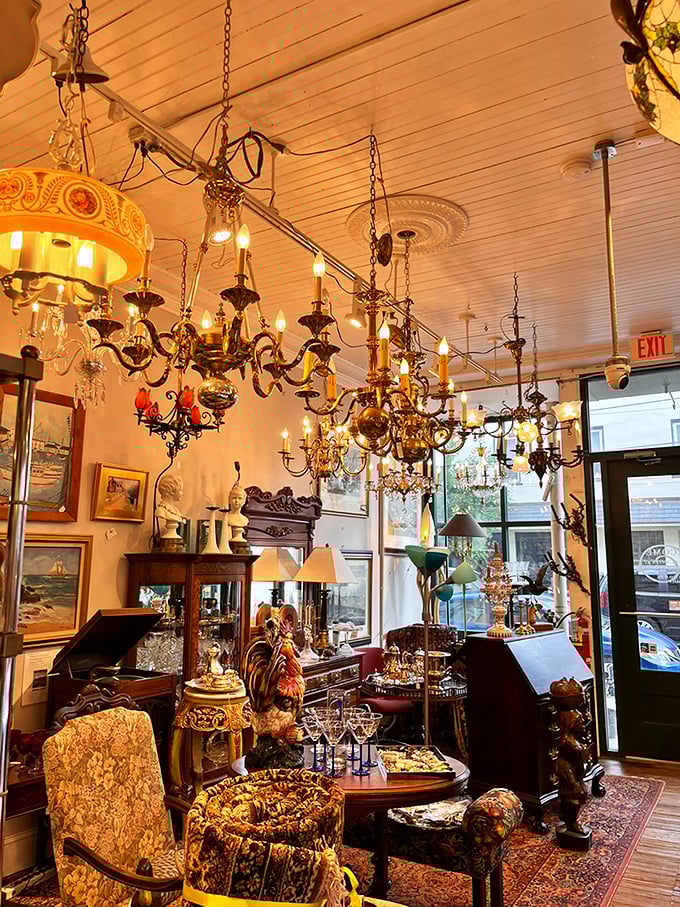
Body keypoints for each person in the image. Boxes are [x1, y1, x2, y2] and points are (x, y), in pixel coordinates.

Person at [155, 472, 185, 550]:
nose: (183, 493)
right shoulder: (161, 511)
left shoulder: (176, 511)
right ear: (171, 491)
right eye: (181, 490)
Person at [227, 461, 249, 552]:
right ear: (229, 499)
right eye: (234, 498)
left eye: (239, 498)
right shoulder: (227, 518)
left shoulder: (244, 520)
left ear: (244, 501)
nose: (236, 501)